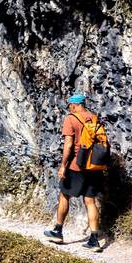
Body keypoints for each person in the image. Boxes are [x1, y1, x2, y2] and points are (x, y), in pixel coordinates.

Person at [44, 93, 107, 250]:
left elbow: (69, 145)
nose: (69, 108)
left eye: (69, 105)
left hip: (76, 166)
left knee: (64, 195)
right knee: (90, 201)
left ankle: (58, 231)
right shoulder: (94, 117)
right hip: (94, 165)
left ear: (74, 105)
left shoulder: (70, 118)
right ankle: (94, 239)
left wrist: (63, 165)